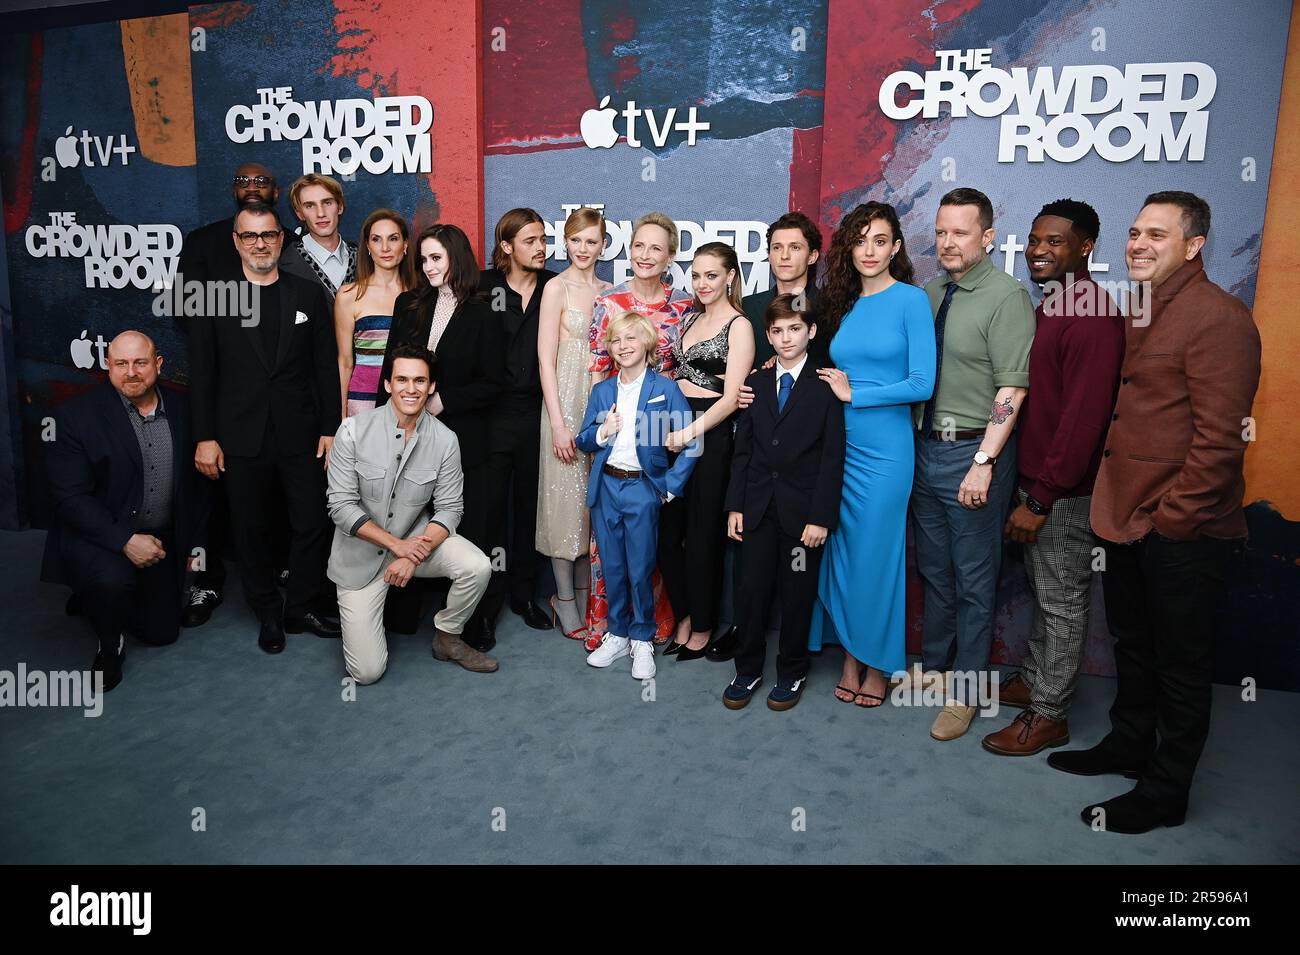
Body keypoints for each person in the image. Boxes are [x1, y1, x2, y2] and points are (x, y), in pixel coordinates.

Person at [1051, 191, 1260, 835]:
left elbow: (1222, 440)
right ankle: (1127, 745)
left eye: (1157, 236)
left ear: (1194, 246)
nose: (1138, 244)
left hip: (1181, 529)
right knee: (1133, 647)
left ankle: (1165, 791)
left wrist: (1172, 520)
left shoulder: (1220, 319)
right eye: (1135, 232)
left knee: (1180, 665)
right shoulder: (1141, 308)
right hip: (1123, 516)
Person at [982, 199, 1124, 757]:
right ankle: (1035, 680)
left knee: (1064, 602)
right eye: (1035, 241)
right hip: (1040, 481)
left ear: (1086, 247)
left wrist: (1041, 499)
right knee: (1047, 593)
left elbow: (1084, 420)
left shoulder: (1091, 313)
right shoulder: (1057, 304)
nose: (1039, 250)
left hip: (1063, 493)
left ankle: (1049, 715)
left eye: (1055, 242)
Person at [189, 202, 342, 653]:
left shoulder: (308, 294)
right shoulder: (214, 296)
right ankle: (267, 613)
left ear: (281, 239)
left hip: (301, 433)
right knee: (250, 530)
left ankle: (299, 607)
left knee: (312, 523)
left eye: (269, 235)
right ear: (237, 241)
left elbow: (323, 368)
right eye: (250, 236)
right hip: (239, 435)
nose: (261, 244)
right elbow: (202, 372)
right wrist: (204, 436)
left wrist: (331, 428)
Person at [910, 187, 1034, 740]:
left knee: (974, 581)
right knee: (934, 571)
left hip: (974, 453)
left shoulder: (1007, 297)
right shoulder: (928, 293)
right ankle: (935, 671)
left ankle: (967, 693)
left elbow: (1012, 388)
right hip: (923, 449)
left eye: (960, 232)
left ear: (987, 237)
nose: (947, 242)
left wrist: (984, 461)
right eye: (940, 232)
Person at [806, 202, 936, 706]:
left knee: (877, 557)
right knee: (839, 552)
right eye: (860, 240)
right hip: (839, 445)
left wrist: (857, 394)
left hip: (885, 451)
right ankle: (850, 655)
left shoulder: (911, 301)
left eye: (880, 240)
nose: (869, 251)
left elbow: (922, 383)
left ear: (896, 247)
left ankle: (878, 662)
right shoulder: (841, 303)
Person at [41, 332, 208, 691]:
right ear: (108, 366)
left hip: (159, 537)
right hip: (102, 535)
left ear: (158, 364)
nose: (131, 372)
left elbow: (197, 490)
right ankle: (108, 640)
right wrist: (124, 540)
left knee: (162, 633)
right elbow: (69, 498)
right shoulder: (74, 417)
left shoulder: (183, 409)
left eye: (140, 363)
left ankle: (96, 599)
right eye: (121, 363)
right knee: (110, 582)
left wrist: (193, 545)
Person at [327, 344, 496, 681]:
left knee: (477, 565)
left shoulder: (446, 440)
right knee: (367, 673)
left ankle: (448, 637)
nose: (411, 389)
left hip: (416, 545)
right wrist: (396, 546)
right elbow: (341, 507)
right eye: (402, 379)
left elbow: (450, 509)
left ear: (431, 387)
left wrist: (412, 554)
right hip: (360, 559)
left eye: (420, 381)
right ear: (387, 384)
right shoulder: (353, 430)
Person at [377, 223, 505, 644]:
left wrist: (445, 399)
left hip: (466, 439)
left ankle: (478, 619)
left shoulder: (485, 311)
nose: (428, 266)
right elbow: (390, 371)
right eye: (424, 259)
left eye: (436, 258)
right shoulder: (407, 304)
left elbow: (495, 382)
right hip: (408, 439)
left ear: (456, 258)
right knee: (409, 519)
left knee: (476, 527)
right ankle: (401, 611)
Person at [723, 295, 844, 710]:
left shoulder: (826, 386)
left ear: (811, 331)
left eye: (795, 329)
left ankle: (792, 671)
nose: (785, 337)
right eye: (777, 331)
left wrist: (821, 516)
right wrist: (736, 505)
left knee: (796, 595)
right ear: (768, 336)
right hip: (757, 508)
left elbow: (832, 457)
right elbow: (744, 450)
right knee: (751, 591)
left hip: (802, 516)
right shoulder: (755, 383)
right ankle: (747, 669)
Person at [174, 161, 279, 628]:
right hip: (225, 395)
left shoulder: (285, 242)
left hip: (277, 402)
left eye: (261, 182)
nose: (252, 188)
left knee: (274, 499)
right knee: (213, 501)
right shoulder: (202, 242)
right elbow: (188, 320)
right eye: (243, 182)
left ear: (275, 193)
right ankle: (207, 580)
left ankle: (278, 576)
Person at [585, 211, 695, 648]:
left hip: (664, 430)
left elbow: (693, 369)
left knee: (655, 541)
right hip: (616, 431)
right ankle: (612, 627)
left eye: (656, 248)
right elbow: (597, 371)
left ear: (670, 256)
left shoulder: (684, 305)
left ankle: (651, 629)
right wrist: (598, 430)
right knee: (609, 547)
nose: (645, 255)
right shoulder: (609, 302)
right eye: (639, 246)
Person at [578, 312, 698, 680]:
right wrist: (603, 431)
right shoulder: (602, 391)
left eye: (631, 339)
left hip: (644, 488)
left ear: (647, 344)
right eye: (616, 340)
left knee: (641, 567)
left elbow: (693, 442)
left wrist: (670, 487)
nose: (623, 346)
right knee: (612, 567)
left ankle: (642, 637)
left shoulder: (665, 388)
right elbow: (583, 439)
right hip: (607, 487)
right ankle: (616, 633)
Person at [659, 241, 755, 660]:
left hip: (710, 434)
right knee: (666, 534)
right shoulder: (689, 317)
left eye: (712, 275)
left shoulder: (740, 326)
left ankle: (702, 624)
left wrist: (690, 434)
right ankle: (682, 615)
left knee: (702, 537)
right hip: (670, 431)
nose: (702, 283)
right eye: (696, 275)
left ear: (731, 276)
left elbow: (733, 397)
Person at [478, 209, 557, 640]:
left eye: (543, 239)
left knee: (530, 510)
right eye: (530, 240)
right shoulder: (484, 286)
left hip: (537, 416)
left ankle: (524, 595)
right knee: (490, 514)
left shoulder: (553, 286)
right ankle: (487, 603)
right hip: (491, 417)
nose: (541, 247)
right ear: (506, 247)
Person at [536, 208, 610, 641]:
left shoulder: (610, 290)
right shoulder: (555, 288)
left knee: (589, 504)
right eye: (576, 240)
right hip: (562, 402)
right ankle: (563, 598)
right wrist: (558, 424)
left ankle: (586, 593)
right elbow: (545, 358)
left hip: (598, 403)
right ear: (566, 242)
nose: (583, 249)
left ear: (604, 244)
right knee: (562, 503)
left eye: (591, 241)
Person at [334, 209, 415, 418]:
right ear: (368, 246)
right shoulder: (348, 295)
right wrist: (342, 416)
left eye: (393, 239)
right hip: (363, 401)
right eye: (376, 239)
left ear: (405, 244)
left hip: (410, 399)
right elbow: (345, 361)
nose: (385, 248)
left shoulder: (420, 295)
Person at [741, 211, 824, 369]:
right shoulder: (747, 308)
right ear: (769, 256)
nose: (784, 256)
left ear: (812, 256)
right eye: (777, 248)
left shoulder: (831, 308)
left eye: (795, 247)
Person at [280, 173, 357, 305]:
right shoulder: (283, 265)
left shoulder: (365, 258)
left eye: (327, 203)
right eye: (310, 206)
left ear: (340, 207)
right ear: (300, 214)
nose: (320, 213)